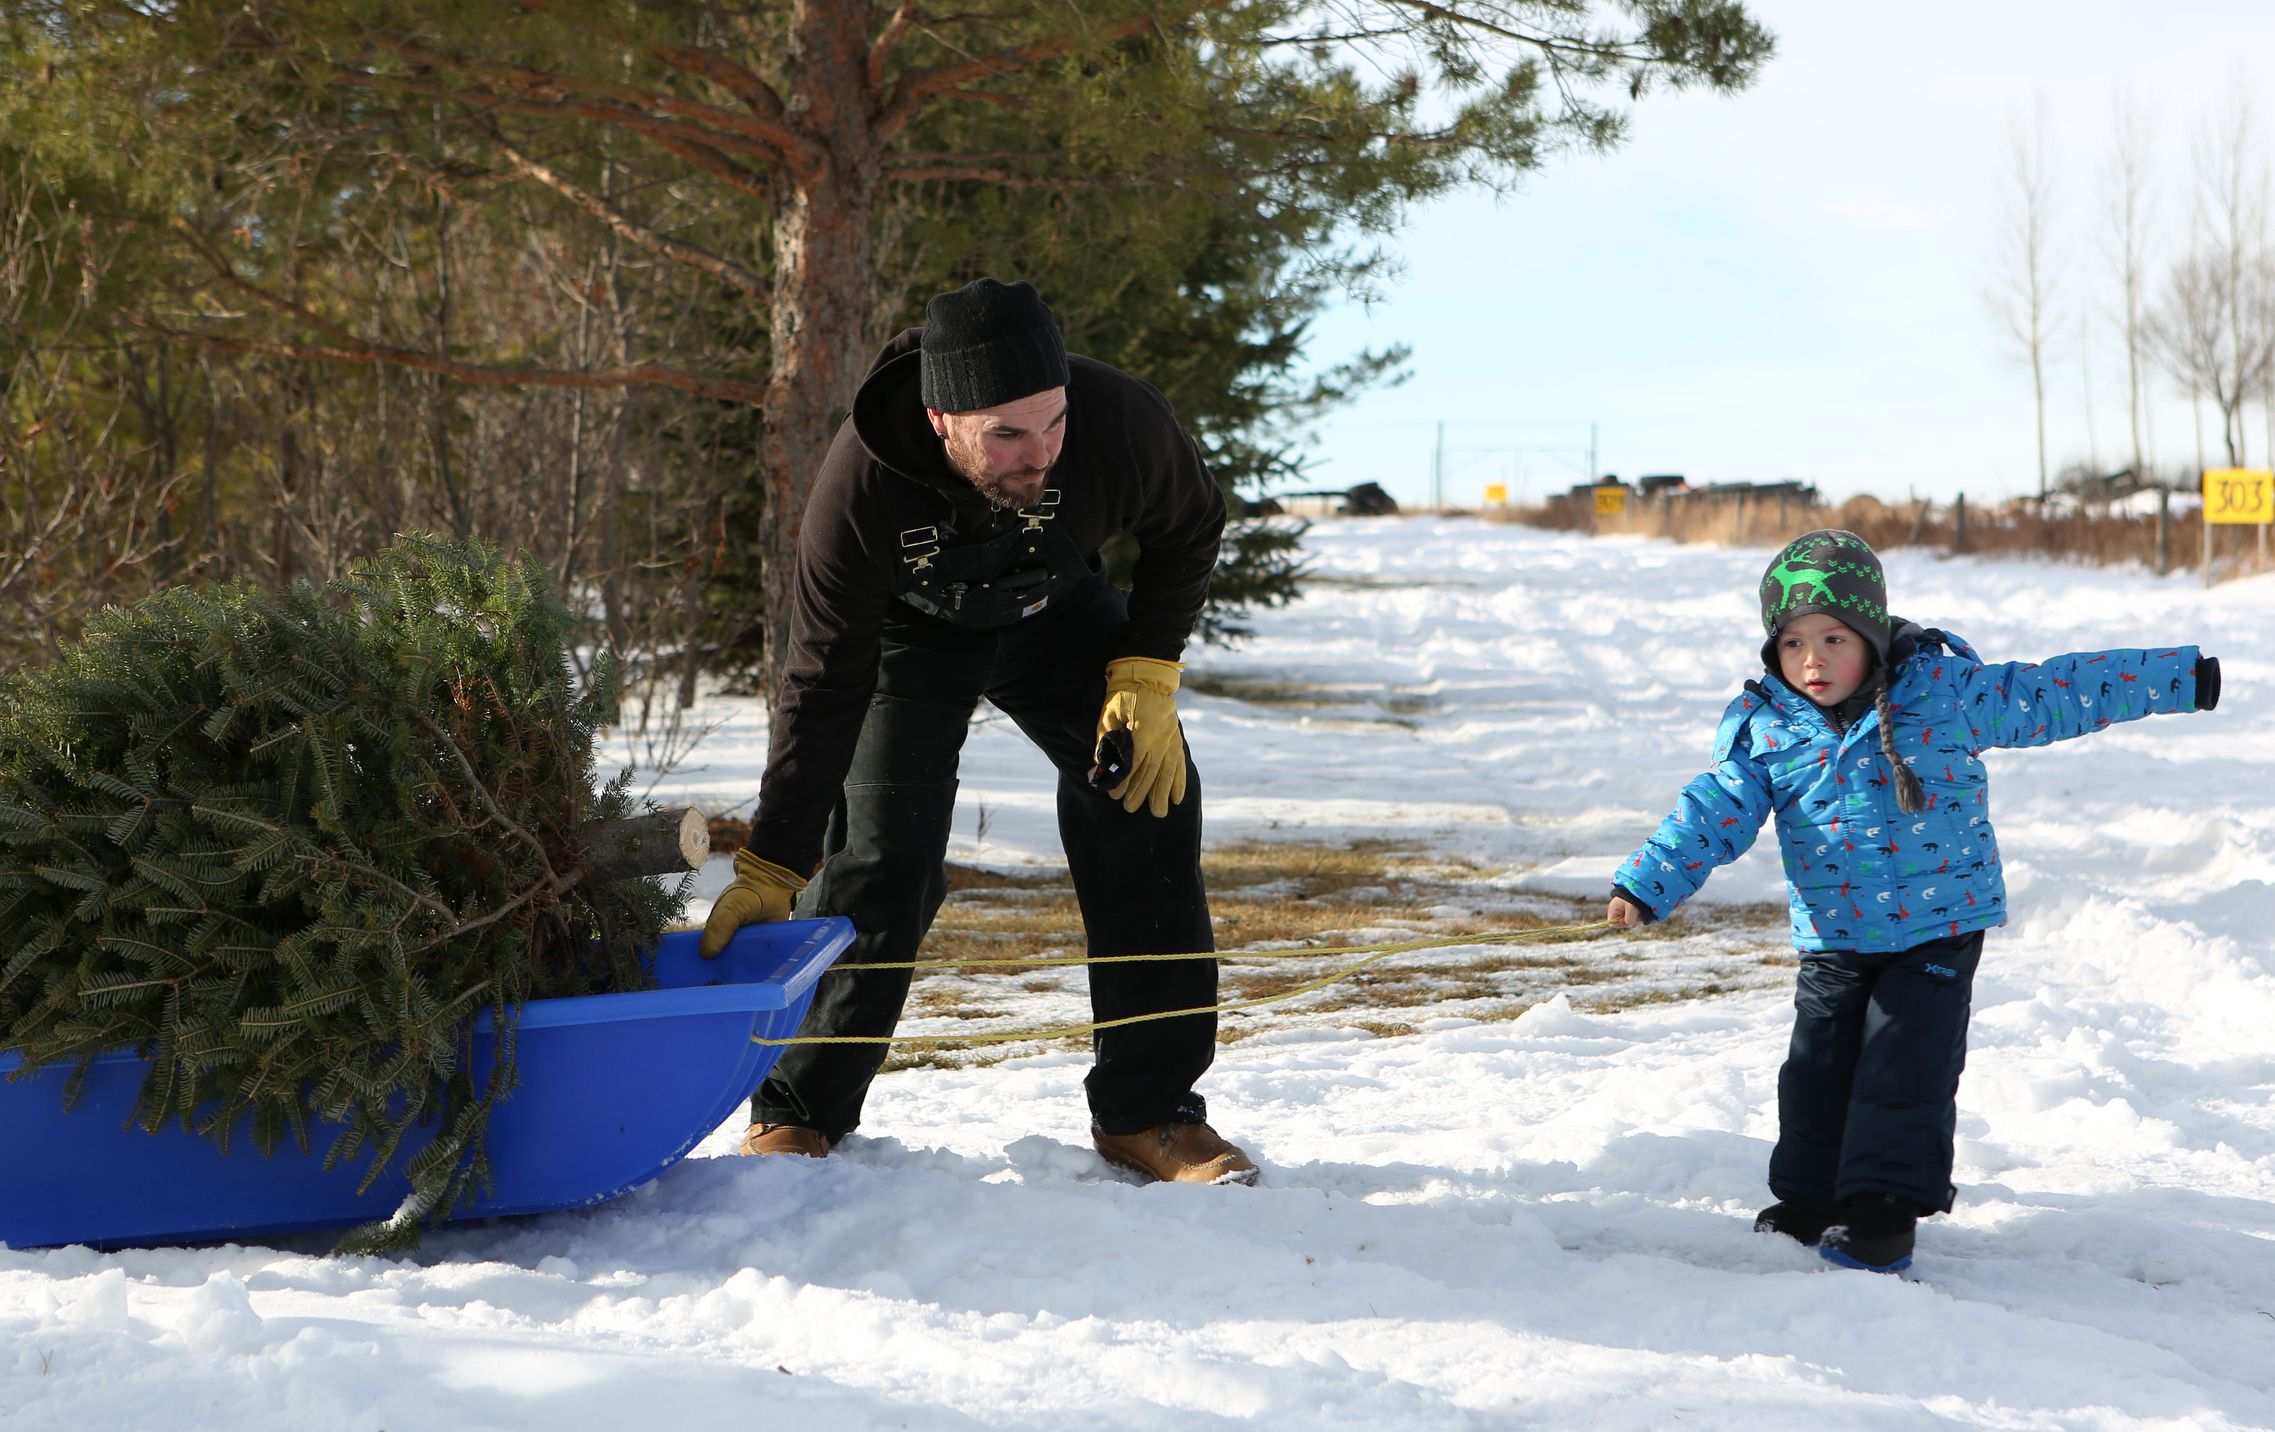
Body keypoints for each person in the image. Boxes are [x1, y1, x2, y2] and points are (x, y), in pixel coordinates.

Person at [700, 277, 1257, 1186]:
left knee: (1149, 801)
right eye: (1006, 434)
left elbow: (1190, 525)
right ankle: (800, 1112)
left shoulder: (1120, 420)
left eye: (1052, 424)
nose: (1038, 455)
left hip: (1058, 614)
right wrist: (774, 858)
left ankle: (1148, 1112)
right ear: (940, 420)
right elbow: (819, 683)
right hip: (908, 640)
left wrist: (1147, 668)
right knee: (884, 858)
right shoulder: (861, 490)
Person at [1607, 529, 2222, 1272]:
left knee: (1902, 1069)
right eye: (1793, 642)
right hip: (1834, 935)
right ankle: (1810, 1196)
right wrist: (1647, 883)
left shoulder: (1940, 695)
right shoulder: (1765, 727)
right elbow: (1713, 809)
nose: (1812, 660)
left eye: (1833, 638)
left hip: (1938, 927)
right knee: (1817, 1069)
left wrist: (2178, 678)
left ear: (1869, 635)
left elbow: (2054, 692)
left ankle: (1880, 1216)